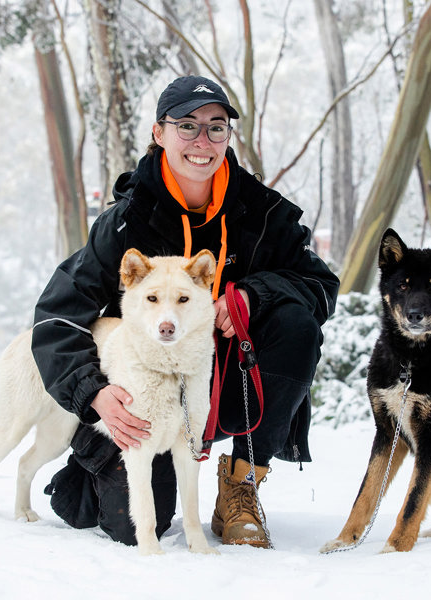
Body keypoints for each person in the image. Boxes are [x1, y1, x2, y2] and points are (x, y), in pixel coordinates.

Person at [31, 75, 339, 548]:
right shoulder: (125, 223)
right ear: (159, 133)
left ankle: (241, 483)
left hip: (230, 382)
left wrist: (254, 295)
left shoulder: (262, 212)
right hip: (147, 397)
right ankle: (90, 464)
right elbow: (57, 316)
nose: (203, 140)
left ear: (229, 137)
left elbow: (322, 286)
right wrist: (93, 393)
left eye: (217, 127)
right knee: (122, 525)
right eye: (187, 126)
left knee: (296, 321)